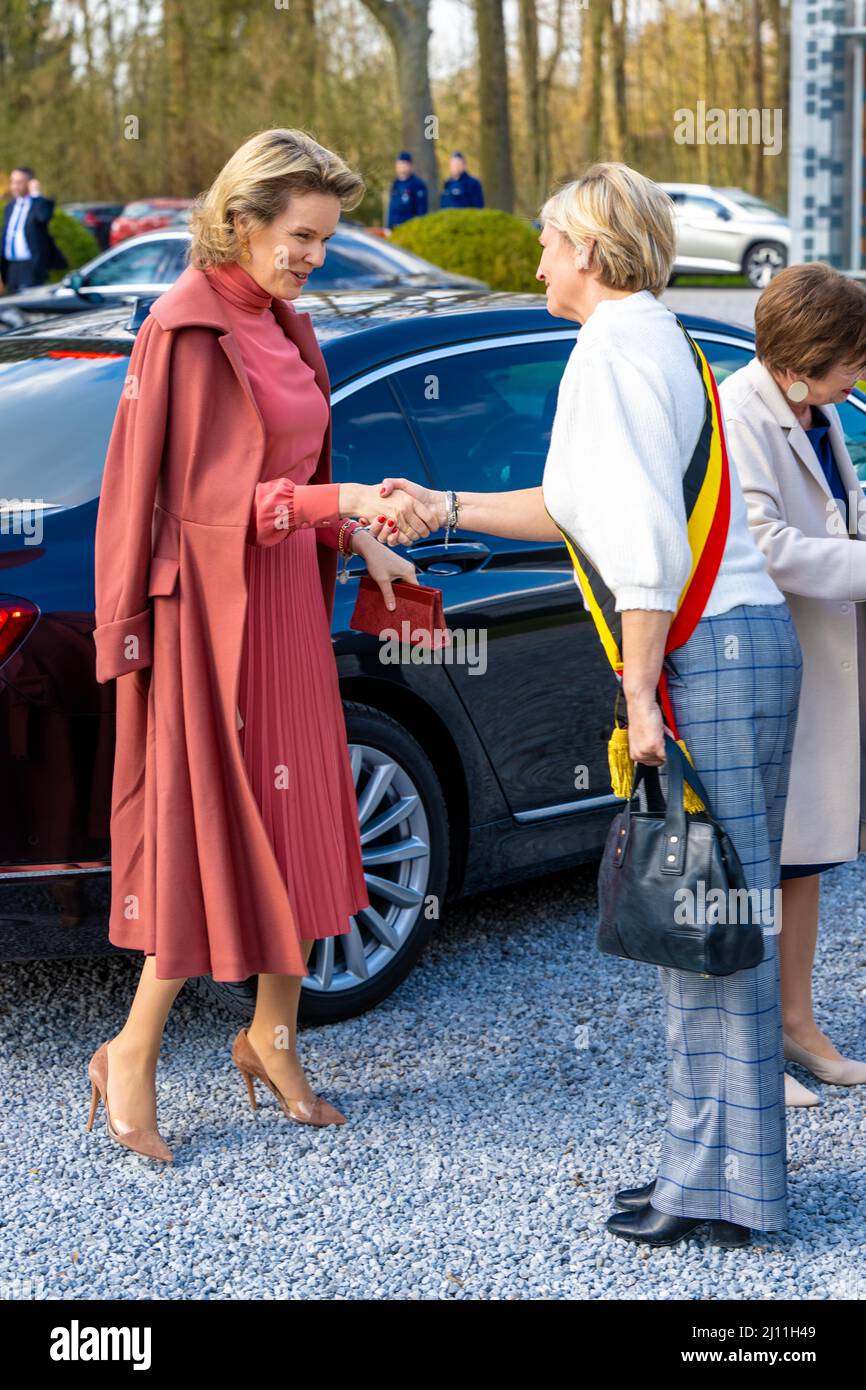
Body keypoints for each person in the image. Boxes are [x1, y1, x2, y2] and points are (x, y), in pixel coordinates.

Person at [374, 162, 803, 1247]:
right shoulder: (643, 338)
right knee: (702, 919)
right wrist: (449, 504)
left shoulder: (612, 351)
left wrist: (637, 696)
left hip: (703, 650)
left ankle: (729, 1193)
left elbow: (647, 547)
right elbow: (576, 503)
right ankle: (700, 1174)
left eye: (550, 239)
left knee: (706, 918)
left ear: (592, 251)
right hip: (732, 646)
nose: (537, 258)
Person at [88, 128, 438, 1162]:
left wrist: (361, 539)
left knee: (303, 822)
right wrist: (339, 500)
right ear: (239, 219)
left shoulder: (284, 321)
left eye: (324, 240)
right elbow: (205, 506)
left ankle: (271, 1038)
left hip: (286, 602)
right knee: (214, 835)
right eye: (299, 236)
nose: (312, 258)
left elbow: (290, 469)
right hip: (213, 617)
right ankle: (132, 1051)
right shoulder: (188, 329)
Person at [719, 262, 866, 1103]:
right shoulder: (741, 414)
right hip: (764, 659)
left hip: (820, 660)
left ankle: (797, 1027)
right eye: (852, 363)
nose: (859, 378)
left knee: (803, 856)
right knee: (751, 866)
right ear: (803, 363)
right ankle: (748, 1053)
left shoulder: (812, 408)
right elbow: (766, 542)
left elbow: (836, 508)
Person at [0, 165, 67, 292]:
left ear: (29, 183)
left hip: (31, 266)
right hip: (11, 267)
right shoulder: (10, 207)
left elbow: (43, 218)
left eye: (19, 182)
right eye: (13, 182)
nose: (15, 186)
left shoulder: (39, 204)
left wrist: (36, 194)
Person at [386, 151, 428, 230]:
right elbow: (391, 209)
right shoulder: (395, 184)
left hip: (409, 230)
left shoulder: (417, 185)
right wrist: (388, 227)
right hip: (394, 230)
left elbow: (421, 212)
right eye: (399, 164)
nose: (402, 166)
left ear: (410, 166)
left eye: (404, 164)